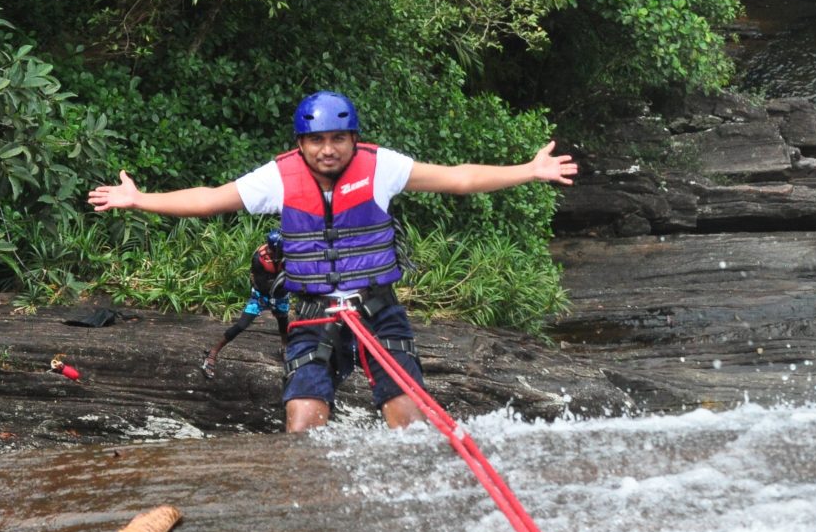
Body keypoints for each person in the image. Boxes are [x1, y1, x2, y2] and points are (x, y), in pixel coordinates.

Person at [88, 91, 577, 431]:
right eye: (316, 140)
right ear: (301, 143)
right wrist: (141, 199)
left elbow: (459, 178)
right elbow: (210, 198)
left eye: (337, 140)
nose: (327, 150)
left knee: (407, 418)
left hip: (377, 308)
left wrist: (530, 171)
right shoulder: (278, 177)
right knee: (303, 417)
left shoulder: (381, 167)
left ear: (352, 139)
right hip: (311, 312)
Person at [201, 232, 291, 378]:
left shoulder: (287, 256)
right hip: (261, 294)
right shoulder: (259, 259)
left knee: (283, 320)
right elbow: (261, 284)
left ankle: (285, 347)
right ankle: (213, 352)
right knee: (242, 325)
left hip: (280, 292)